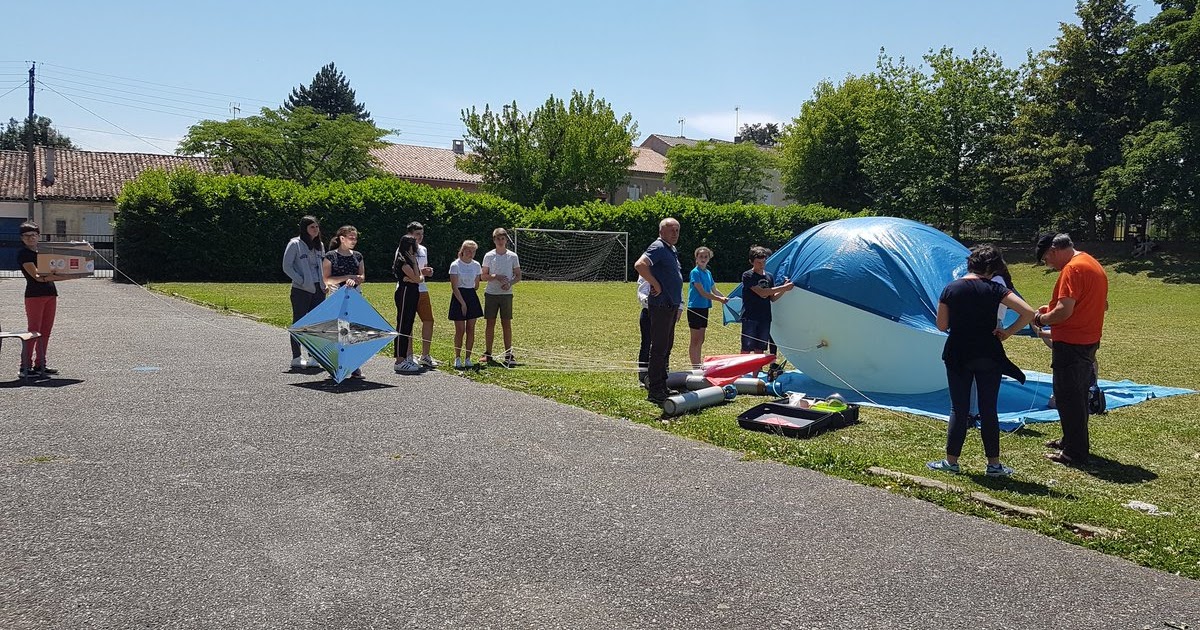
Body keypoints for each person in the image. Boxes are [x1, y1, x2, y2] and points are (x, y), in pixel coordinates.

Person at [927, 245, 1036, 477]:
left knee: (959, 407)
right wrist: (1007, 332)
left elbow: (942, 325)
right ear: (992, 268)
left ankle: (951, 461)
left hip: (958, 352)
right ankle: (994, 465)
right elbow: (1028, 312)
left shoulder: (951, 289)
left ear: (970, 264)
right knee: (989, 409)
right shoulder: (997, 289)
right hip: (989, 353)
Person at [1035, 233, 1109, 466]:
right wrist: (1052, 307)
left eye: (1047, 259)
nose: (1049, 265)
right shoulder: (1091, 263)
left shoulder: (1072, 269)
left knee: (1069, 397)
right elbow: (1098, 304)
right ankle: (1070, 441)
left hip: (1072, 343)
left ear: (1054, 251)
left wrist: (1041, 318)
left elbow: (1064, 312)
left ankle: (1074, 453)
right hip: (1087, 340)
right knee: (1076, 394)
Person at [15, 222, 84, 379]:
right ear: (22, 238)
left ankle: (41, 365)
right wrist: (68, 277)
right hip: (34, 295)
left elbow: (57, 269)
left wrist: (73, 271)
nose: (31, 238)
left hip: (51, 294)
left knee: (46, 332)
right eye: (27, 236)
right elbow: (38, 277)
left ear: (38, 236)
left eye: (33, 235)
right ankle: (25, 366)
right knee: (33, 331)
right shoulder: (24, 254)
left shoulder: (44, 253)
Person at [633, 218, 684, 405]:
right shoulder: (658, 246)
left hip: (670, 305)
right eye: (672, 230)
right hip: (660, 305)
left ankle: (663, 385)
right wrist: (654, 284)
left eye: (677, 230)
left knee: (666, 346)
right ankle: (655, 390)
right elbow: (640, 265)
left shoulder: (671, 249)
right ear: (662, 231)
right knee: (659, 347)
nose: (675, 234)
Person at [323, 225, 366, 379]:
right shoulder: (330, 256)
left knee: (353, 331)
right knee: (338, 332)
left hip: (354, 296)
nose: (353, 241)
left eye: (355, 238)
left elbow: (362, 276)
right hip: (337, 296)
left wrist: (357, 279)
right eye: (350, 238)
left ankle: (354, 366)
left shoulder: (358, 256)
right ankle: (335, 366)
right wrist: (346, 277)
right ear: (342, 238)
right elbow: (327, 279)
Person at [282, 216, 325, 369]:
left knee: (316, 324)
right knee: (299, 322)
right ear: (304, 229)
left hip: (319, 289)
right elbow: (287, 266)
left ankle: (314, 356)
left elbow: (322, 266)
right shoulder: (295, 244)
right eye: (312, 227)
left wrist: (324, 283)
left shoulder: (319, 245)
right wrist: (301, 280)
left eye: (317, 227)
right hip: (301, 289)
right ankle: (296, 356)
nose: (315, 230)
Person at [740, 246, 793, 354]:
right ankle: (744, 371)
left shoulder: (769, 276)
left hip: (765, 317)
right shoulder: (748, 275)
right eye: (758, 262)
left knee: (760, 349)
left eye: (764, 262)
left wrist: (784, 289)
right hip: (750, 317)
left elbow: (772, 297)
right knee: (747, 347)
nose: (762, 265)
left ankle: (757, 371)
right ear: (751, 262)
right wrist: (784, 287)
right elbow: (762, 292)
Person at [481, 228, 521, 368]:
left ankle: (508, 353)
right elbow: (483, 275)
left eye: (502, 238)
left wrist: (509, 283)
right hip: (491, 293)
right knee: (490, 324)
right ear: (494, 240)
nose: (500, 240)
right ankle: (488, 353)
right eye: (497, 238)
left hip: (506, 294)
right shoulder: (489, 255)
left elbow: (518, 275)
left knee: (506, 324)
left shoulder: (512, 256)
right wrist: (496, 277)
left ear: (506, 240)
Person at [403, 222, 439, 369]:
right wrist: (420, 274)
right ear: (410, 234)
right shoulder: (403, 249)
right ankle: (409, 356)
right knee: (408, 322)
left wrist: (427, 271)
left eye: (422, 234)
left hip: (422, 289)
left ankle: (425, 355)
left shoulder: (423, 249)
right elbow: (404, 270)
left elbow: (423, 269)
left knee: (429, 320)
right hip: (407, 289)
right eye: (417, 234)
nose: (420, 237)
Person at [687, 246, 728, 369]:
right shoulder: (695, 272)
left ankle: (698, 364)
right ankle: (695, 366)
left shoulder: (708, 273)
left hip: (705, 308)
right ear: (696, 258)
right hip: (695, 308)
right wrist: (720, 299)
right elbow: (703, 293)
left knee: (701, 338)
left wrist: (726, 299)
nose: (703, 259)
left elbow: (714, 290)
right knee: (695, 339)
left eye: (706, 257)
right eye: (701, 256)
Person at [392, 235, 426, 375]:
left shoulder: (412, 261)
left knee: (409, 324)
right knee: (402, 324)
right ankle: (399, 360)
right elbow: (418, 279)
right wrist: (416, 278)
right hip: (405, 292)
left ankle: (405, 357)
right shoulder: (403, 261)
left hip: (413, 292)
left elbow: (418, 278)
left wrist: (416, 277)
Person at [448, 240, 484, 369]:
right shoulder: (455, 265)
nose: (471, 254)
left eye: (473, 251)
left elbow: (476, 285)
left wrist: (473, 290)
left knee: (471, 328)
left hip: (471, 295)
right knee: (460, 330)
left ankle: (468, 357)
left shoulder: (476, 265)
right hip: (459, 295)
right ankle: (457, 357)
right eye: (468, 251)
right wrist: (462, 303)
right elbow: (454, 286)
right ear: (462, 251)